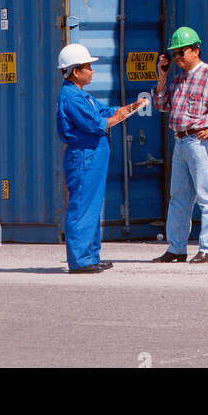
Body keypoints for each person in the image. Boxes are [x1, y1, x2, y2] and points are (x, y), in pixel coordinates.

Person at [56, 43, 147, 274]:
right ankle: (81, 260)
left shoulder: (81, 95)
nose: (92, 70)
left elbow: (104, 111)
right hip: (84, 157)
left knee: (92, 207)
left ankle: (90, 256)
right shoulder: (72, 98)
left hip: (92, 157)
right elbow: (97, 124)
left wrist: (129, 107)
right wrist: (118, 117)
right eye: (88, 66)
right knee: (82, 207)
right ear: (75, 71)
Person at [151, 26, 208, 265]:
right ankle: (176, 249)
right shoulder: (177, 78)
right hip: (180, 141)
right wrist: (162, 76)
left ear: (195, 50)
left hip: (200, 142)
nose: (177, 57)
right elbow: (161, 105)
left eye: (181, 52)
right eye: (174, 54)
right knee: (178, 198)